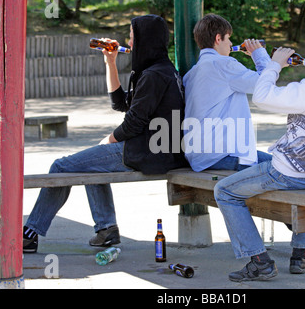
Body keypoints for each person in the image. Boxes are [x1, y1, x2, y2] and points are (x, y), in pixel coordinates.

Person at [23, 14, 187, 253]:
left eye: (132, 37)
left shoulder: (153, 75)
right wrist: (110, 63)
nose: (129, 43)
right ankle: (106, 229)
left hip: (148, 153)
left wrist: (108, 140)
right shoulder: (162, 70)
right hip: (158, 150)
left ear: (145, 39)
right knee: (91, 164)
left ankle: (30, 233)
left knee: (61, 166)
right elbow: (121, 104)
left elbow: (133, 123)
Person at [214, 29, 305, 282]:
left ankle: (259, 260)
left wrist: (273, 65)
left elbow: (262, 97)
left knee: (224, 192)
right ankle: (300, 257)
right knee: (302, 191)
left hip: (290, 171)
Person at [182, 13, 272, 172]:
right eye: (228, 38)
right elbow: (264, 85)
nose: (231, 44)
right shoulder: (223, 64)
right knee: (287, 168)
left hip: (200, 157)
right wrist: (259, 55)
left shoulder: (192, 73)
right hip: (222, 156)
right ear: (218, 39)